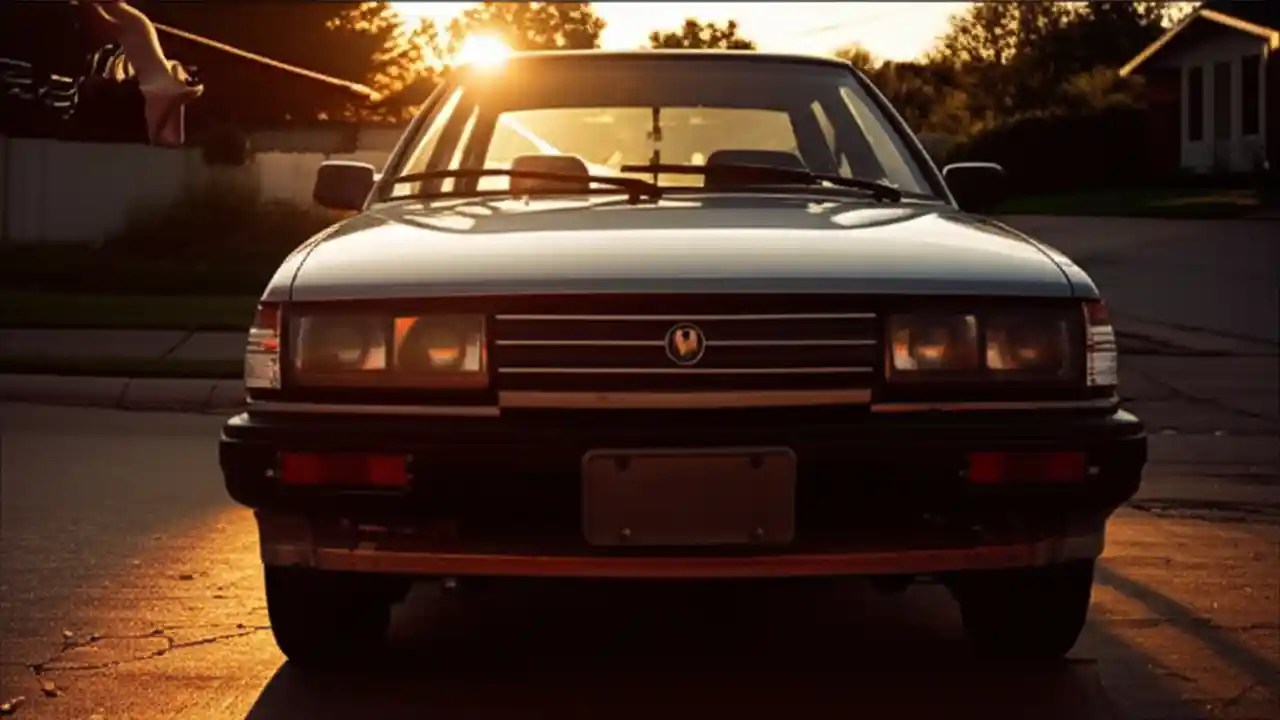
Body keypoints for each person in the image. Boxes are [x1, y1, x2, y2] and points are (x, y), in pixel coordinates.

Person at [76, 0, 202, 147]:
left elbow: (106, 22)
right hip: (133, 69)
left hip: (147, 78)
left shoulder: (132, 26)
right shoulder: (133, 29)